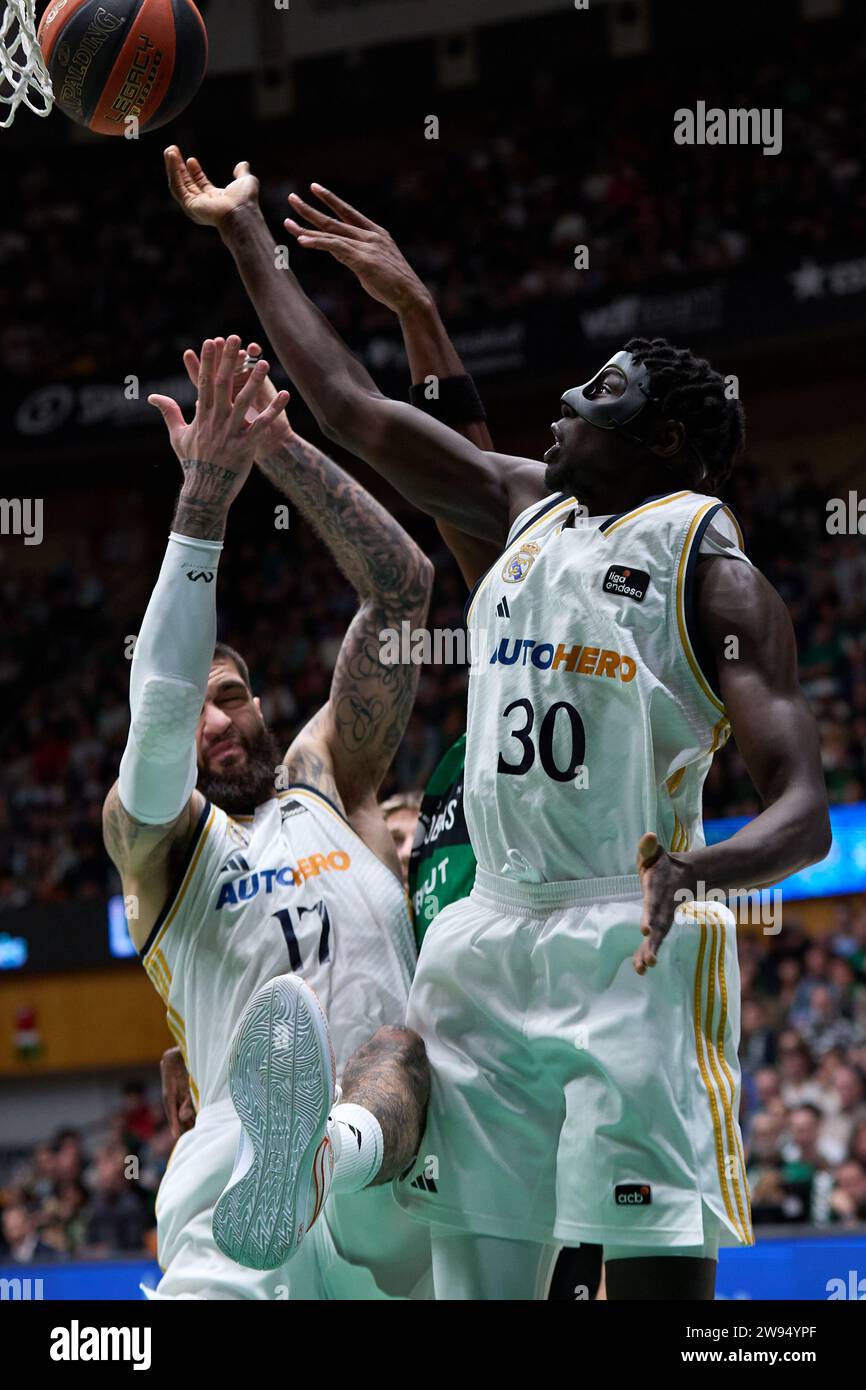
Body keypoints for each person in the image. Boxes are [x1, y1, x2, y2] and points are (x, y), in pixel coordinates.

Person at [164, 151, 830, 1298]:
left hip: (624, 930)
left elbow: (805, 810)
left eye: (600, 394)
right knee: (478, 1283)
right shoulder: (523, 508)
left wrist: (699, 866)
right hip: (484, 939)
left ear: (661, 443)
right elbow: (358, 413)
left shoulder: (713, 583)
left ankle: (334, 1155)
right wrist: (246, 240)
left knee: (652, 1269)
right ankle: (329, 1156)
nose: (566, 402)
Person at [103, 334, 435, 1298]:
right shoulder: (159, 841)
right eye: (201, 703)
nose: (218, 719)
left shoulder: (331, 780)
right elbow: (160, 725)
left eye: (235, 694)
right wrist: (203, 504)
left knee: (400, 1053)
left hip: (391, 1184)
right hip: (234, 1182)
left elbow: (402, 589)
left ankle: (328, 1149)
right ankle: (292, 1160)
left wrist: (274, 442)